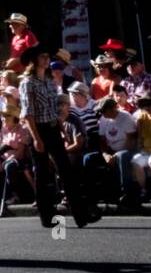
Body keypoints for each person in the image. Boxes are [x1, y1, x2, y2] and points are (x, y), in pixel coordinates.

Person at [19, 46, 99, 227]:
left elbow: (54, 107)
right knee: (42, 174)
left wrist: (61, 126)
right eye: (42, 57)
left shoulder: (49, 80)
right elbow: (28, 113)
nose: (46, 60)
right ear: (34, 60)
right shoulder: (27, 82)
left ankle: (81, 215)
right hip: (37, 129)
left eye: (48, 56)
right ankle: (47, 217)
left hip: (53, 128)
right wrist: (37, 138)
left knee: (66, 171)